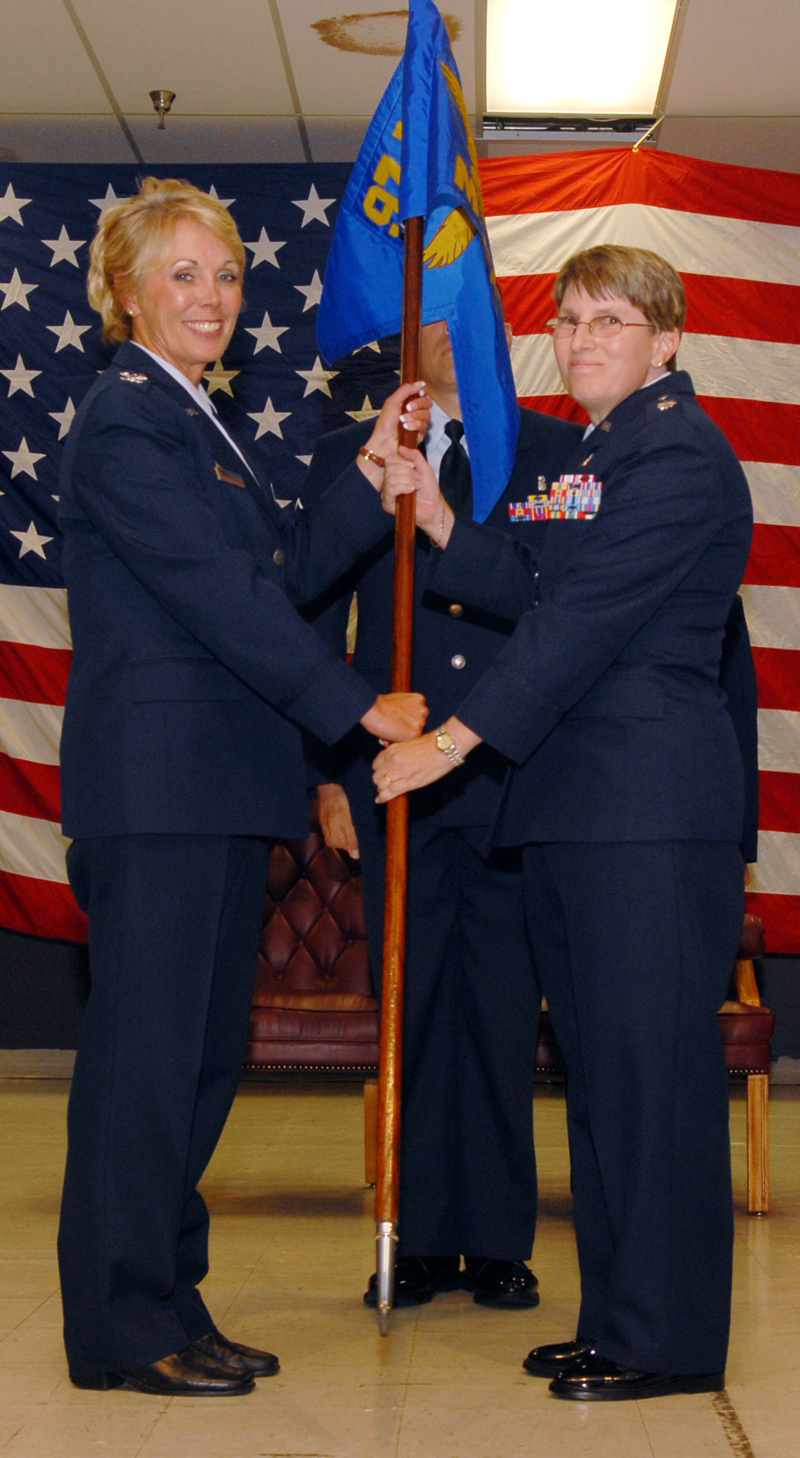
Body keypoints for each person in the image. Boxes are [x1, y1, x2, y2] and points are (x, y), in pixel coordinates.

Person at [56, 177, 430, 1398]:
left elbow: (272, 578)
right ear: (125, 295)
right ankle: (119, 1328)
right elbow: (220, 606)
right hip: (159, 799)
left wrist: (373, 482)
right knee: (145, 1070)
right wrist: (349, 704)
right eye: (183, 274)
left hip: (214, 795)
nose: (212, 296)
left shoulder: (195, 422)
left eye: (223, 275)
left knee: (199, 1065)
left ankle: (169, 1295)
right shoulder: (123, 421)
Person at [373, 246, 754, 1400]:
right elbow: (537, 575)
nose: (583, 339)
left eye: (611, 321)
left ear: (666, 340)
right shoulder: (602, 452)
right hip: (583, 814)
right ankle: (618, 1318)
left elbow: (574, 626)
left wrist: (447, 741)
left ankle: (666, 1345)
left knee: (651, 1083)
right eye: (571, 320)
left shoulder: (679, 454)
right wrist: (439, 520)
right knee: (600, 1079)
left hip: (642, 814)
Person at [302, 318, 580, 1308]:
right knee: (408, 1009)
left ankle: (499, 1239)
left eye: (473, 322)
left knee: (504, 1015)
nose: (453, 342)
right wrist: (330, 768)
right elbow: (311, 615)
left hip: (512, 773)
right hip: (390, 780)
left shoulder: (553, 453)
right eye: (434, 324)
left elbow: (563, 610)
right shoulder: (358, 457)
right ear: (403, 347)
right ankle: (415, 1235)